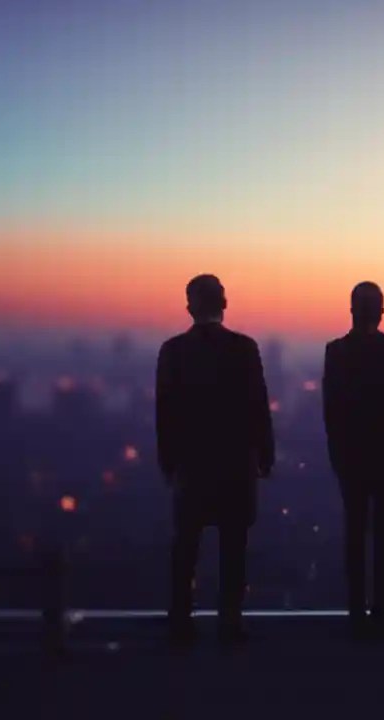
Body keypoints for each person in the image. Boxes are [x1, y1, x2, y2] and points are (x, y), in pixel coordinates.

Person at [156, 274, 274, 648]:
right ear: (224, 304)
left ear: (190, 306)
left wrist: (168, 461)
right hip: (236, 465)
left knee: (186, 546)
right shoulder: (245, 349)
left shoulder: (173, 351)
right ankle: (230, 622)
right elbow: (258, 407)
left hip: (192, 465)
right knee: (233, 547)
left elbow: (166, 412)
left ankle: (180, 622)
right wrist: (265, 453)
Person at [322, 282, 384, 641]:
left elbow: (331, 411)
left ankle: (356, 608)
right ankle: (379, 606)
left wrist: (337, 454)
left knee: (355, 533)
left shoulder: (336, 352)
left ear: (351, 310)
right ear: (381, 311)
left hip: (352, 457)